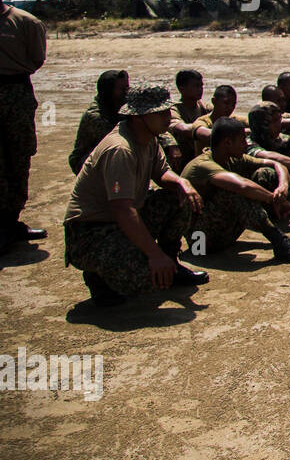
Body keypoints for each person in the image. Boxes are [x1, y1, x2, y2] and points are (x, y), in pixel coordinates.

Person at [63, 85, 208, 305]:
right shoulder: (120, 148)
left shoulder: (148, 137)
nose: (168, 117)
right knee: (146, 282)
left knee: (179, 198)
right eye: (160, 113)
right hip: (91, 233)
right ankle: (98, 276)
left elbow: (161, 172)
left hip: (120, 222)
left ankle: (171, 262)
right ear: (139, 117)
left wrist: (182, 182)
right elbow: (122, 209)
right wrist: (154, 254)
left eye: (168, 111)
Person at [181, 117, 290, 262]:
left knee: (268, 174)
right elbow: (242, 185)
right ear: (227, 142)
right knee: (234, 191)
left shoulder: (232, 158)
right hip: (199, 242)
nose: (246, 144)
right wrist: (274, 199)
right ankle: (280, 243)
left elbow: (276, 164)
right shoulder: (203, 164)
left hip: (222, 234)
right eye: (242, 140)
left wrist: (283, 187)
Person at [0, 0, 48, 253]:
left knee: (19, 155)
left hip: (15, 90)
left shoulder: (26, 22)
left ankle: (11, 221)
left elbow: (36, 59)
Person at [69, 69, 129, 173]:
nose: (126, 92)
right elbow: (120, 139)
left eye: (127, 88)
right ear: (109, 91)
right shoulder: (95, 116)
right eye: (121, 89)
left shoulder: (120, 105)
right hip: (87, 161)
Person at [165, 69, 210, 172]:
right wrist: (213, 132)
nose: (200, 89)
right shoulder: (174, 109)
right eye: (196, 86)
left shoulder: (203, 106)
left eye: (201, 86)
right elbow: (183, 129)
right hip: (182, 160)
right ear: (181, 88)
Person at [193, 84, 247, 151]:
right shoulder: (202, 122)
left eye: (233, 104)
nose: (230, 108)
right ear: (214, 101)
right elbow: (208, 134)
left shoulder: (233, 119)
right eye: (226, 103)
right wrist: (241, 133)